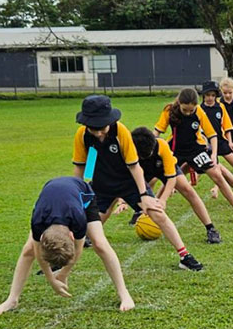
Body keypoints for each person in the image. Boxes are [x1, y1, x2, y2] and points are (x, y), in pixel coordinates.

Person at [70, 94, 206, 274]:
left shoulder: (120, 132)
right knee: (84, 222)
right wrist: (80, 195)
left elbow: (135, 167)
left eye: (102, 127)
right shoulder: (83, 135)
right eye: (94, 128)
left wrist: (144, 196)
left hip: (128, 182)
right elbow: (82, 167)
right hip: (102, 184)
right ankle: (64, 259)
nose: (99, 132)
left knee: (158, 213)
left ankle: (184, 256)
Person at [0, 176, 104, 315]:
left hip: (83, 194)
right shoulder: (38, 221)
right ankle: (12, 299)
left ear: (71, 235)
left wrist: (64, 273)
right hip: (49, 198)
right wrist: (51, 280)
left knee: (100, 244)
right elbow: (38, 252)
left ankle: (124, 294)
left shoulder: (78, 219)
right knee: (28, 250)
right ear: (42, 236)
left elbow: (78, 249)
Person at [155, 87, 233, 225]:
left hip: (196, 150)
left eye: (191, 110)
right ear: (179, 103)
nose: (188, 113)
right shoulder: (169, 111)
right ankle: (150, 208)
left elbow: (212, 135)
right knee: (166, 177)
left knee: (217, 174)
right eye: (185, 110)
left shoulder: (199, 111)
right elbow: (157, 132)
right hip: (175, 151)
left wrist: (213, 154)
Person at [131, 123, 224, 245]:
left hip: (163, 167)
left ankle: (210, 228)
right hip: (141, 170)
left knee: (189, 191)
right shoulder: (129, 150)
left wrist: (163, 200)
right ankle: (137, 211)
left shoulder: (162, 145)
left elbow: (171, 178)